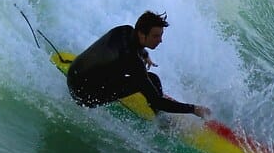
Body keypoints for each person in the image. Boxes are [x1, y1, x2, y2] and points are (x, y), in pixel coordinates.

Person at [67, 11, 211, 118]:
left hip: (74, 73)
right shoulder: (132, 61)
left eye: (161, 35)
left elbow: (130, 47)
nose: (160, 40)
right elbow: (158, 102)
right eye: (156, 36)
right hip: (84, 96)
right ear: (142, 34)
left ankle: (145, 90)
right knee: (152, 80)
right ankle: (162, 122)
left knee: (140, 78)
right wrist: (194, 109)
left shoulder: (125, 30)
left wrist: (145, 54)